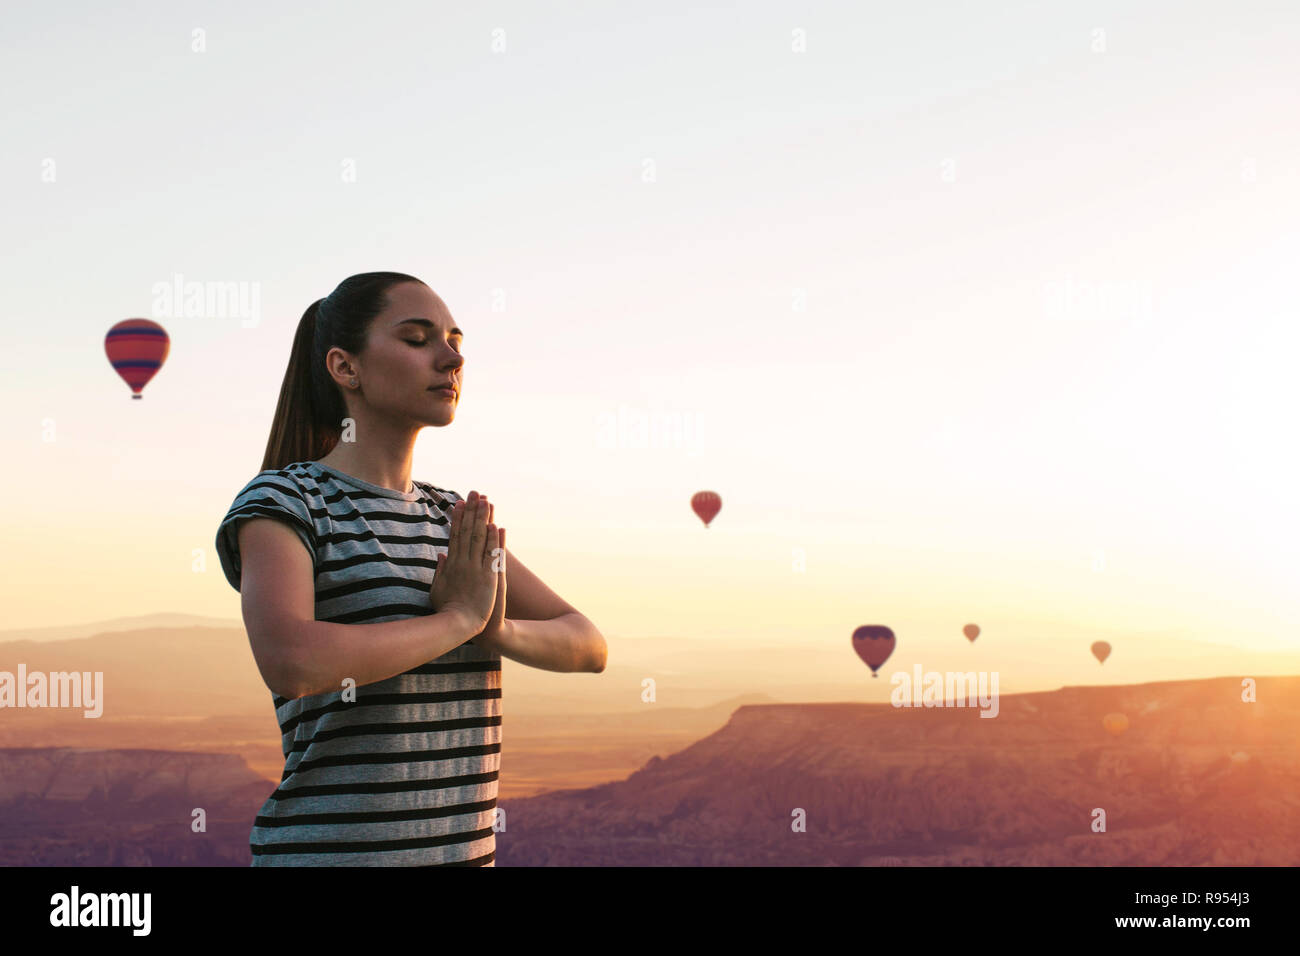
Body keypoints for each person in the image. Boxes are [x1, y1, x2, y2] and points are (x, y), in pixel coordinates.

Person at [214, 272, 606, 865]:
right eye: (418, 339)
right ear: (346, 368)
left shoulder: (454, 517)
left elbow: (589, 644)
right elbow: (289, 660)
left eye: (454, 340)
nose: (452, 358)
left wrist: (497, 629)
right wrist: (458, 620)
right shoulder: (286, 502)